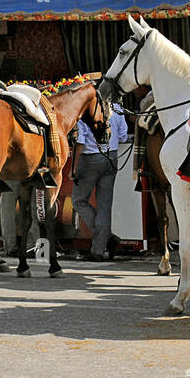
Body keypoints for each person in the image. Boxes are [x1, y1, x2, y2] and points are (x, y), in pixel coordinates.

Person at [71, 101, 131, 262]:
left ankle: (106, 238)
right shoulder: (117, 108)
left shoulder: (86, 110)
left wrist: (74, 168)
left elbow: (80, 141)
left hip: (90, 158)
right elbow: (124, 135)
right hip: (112, 157)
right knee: (105, 205)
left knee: (78, 200)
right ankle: (99, 248)